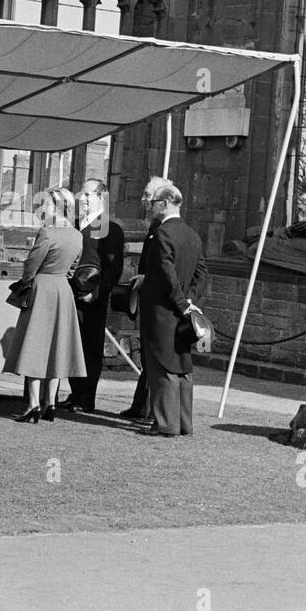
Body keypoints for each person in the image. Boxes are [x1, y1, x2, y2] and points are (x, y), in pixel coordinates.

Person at [5, 187, 86, 423]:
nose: (43, 209)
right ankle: (50, 402)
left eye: (47, 204)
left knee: (35, 347)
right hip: (63, 289)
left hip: (43, 288)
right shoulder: (77, 235)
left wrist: (28, 281)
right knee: (57, 347)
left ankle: (33, 405)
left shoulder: (47, 233)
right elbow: (74, 267)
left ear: (57, 207)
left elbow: (31, 264)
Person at [137, 183, 209, 438]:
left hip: (163, 312)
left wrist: (181, 304)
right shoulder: (192, 234)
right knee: (182, 365)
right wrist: (190, 302)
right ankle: (183, 423)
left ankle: (166, 423)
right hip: (182, 310)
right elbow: (202, 274)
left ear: (165, 203)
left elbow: (166, 276)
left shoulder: (163, 234)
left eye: (155, 201)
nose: (151, 206)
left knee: (163, 366)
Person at [61, 178, 124, 412]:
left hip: (92, 300)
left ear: (102, 198)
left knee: (90, 347)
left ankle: (86, 398)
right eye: (81, 195)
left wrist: (96, 294)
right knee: (73, 346)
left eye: (88, 195)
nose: (82, 199)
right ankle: (75, 393)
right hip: (71, 294)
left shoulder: (109, 228)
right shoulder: (75, 225)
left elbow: (113, 268)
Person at [120, 175, 169, 421]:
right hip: (147, 296)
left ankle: (149, 409)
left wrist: (145, 279)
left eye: (148, 195)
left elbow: (165, 268)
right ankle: (140, 405)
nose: (144, 199)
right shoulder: (154, 225)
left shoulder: (164, 227)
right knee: (147, 355)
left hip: (157, 299)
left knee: (153, 355)